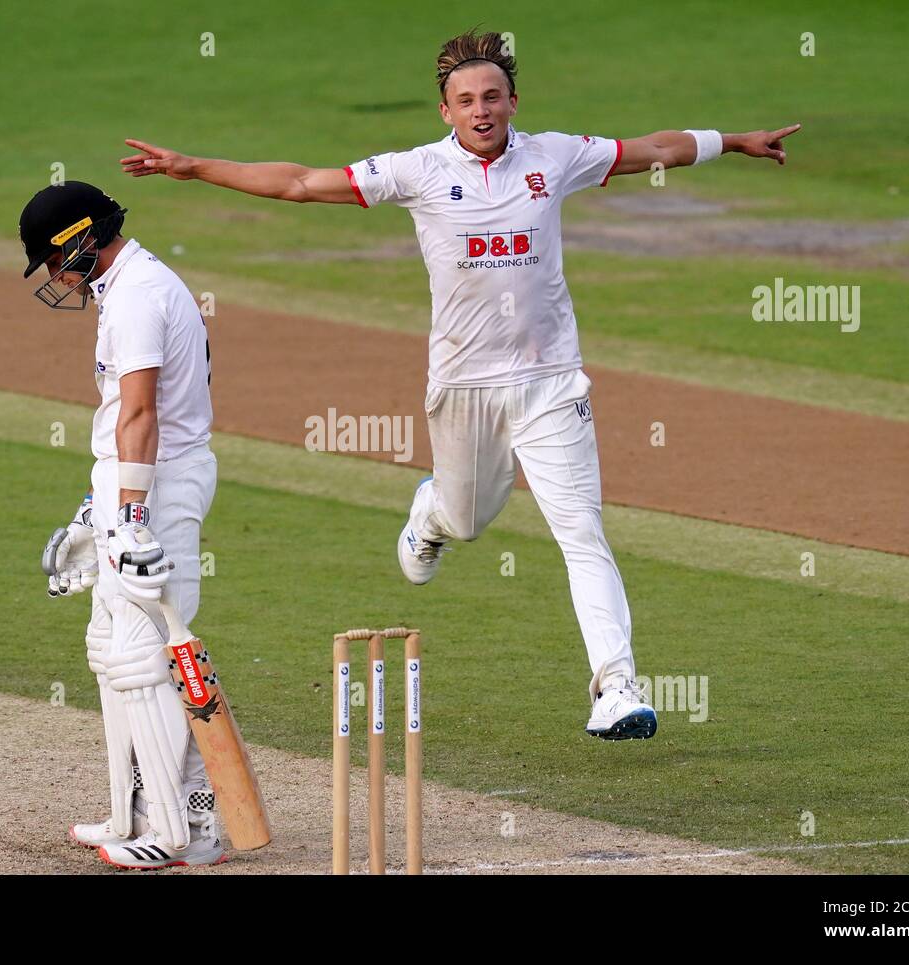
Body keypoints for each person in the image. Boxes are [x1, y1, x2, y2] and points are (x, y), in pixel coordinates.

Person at [119, 29, 799, 740]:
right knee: (470, 518)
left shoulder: (555, 156)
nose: (482, 111)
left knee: (582, 532)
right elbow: (300, 182)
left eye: (493, 97)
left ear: (513, 102)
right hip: (464, 389)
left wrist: (736, 140)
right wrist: (193, 167)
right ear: (446, 110)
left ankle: (616, 686)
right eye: (466, 100)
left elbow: (653, 149)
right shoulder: (416, 171)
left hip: (551, 382)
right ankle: (433, 516)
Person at [19, 180, 224, 867]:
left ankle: (177, 833)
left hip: (158, 487)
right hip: (131, 482)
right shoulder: (126, 288)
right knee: (111, 651)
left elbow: (142, 413)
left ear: (80, 240)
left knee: (145, 662)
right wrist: (97, 504)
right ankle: (129, 812)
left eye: (52, 261)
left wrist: (132, 515)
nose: (54, 278)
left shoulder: (138, 295)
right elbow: (120, 422)